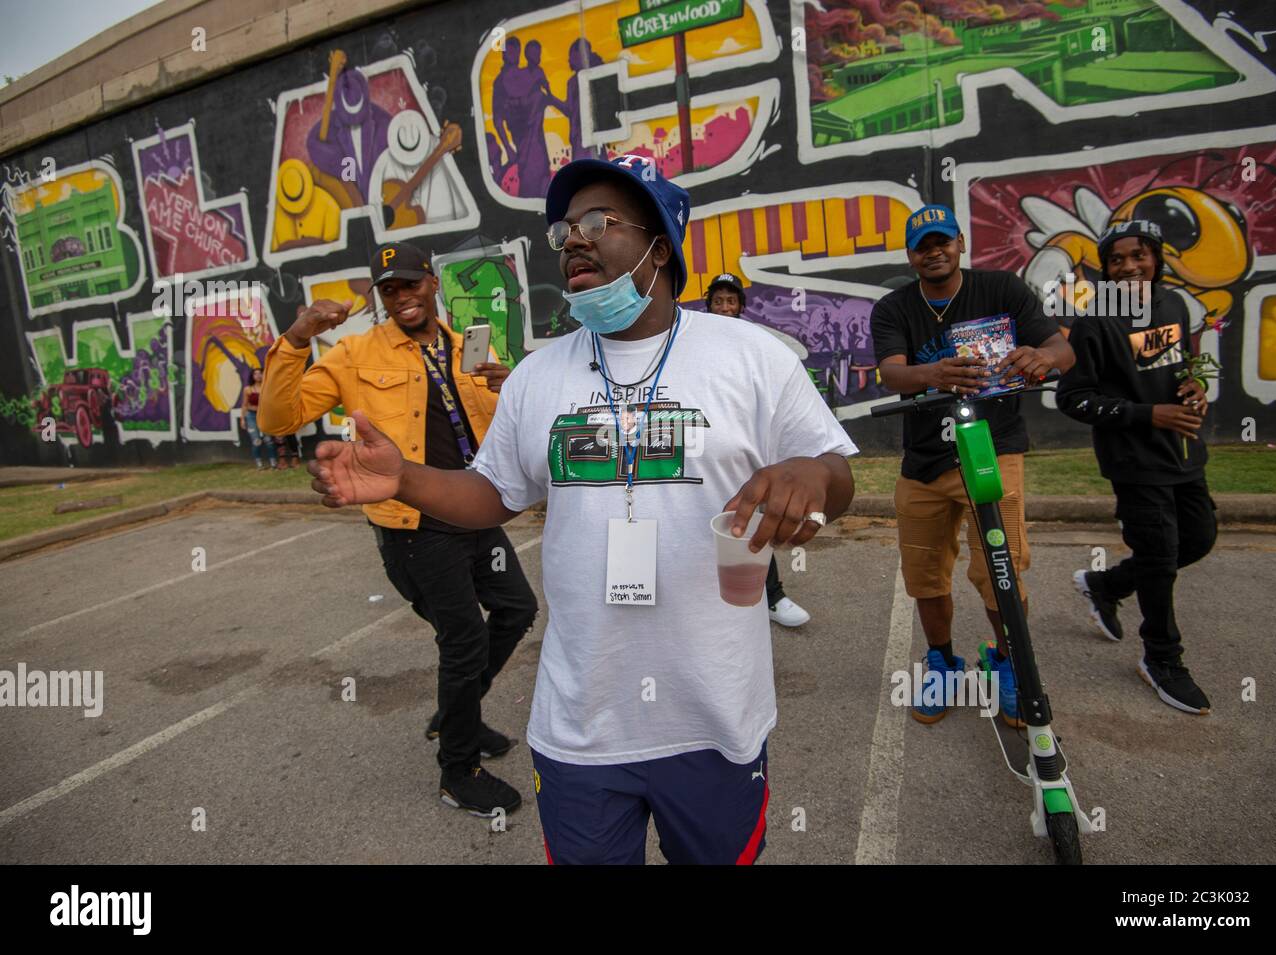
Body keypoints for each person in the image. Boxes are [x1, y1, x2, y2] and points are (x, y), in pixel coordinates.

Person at [306, 155, 858, 864]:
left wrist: (812, 474)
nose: (572, 239)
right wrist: (403, 478)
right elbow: (492, 494)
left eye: (598, 222)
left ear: (661, 246)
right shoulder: (537, 375)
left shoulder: (752, 356)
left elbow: (838, 474)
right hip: (581, 725)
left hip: (716, 716)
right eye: (564, 229)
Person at [258, 241, 539, 816]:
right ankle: (458, 771)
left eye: (410, 284)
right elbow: (279, 417)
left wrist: (508, 386)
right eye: (388, 290)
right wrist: (297, 338)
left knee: (517, 609)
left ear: (432, 283)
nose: (401, 297)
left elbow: (495, 429)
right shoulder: (354, 354)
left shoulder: (467, 345)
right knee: (463, 639)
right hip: (416, 527)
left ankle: (459, 714)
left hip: (472, 509)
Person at [871, 204, 1074, 727]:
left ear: (960, 242)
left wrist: (1044, 359)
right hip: (925, 460)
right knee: (924, 574)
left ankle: (1008, 663)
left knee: (1000, 570)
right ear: (910, 255)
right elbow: (892, 373)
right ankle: (941, 660)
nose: (934, 252)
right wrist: (933, 374)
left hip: (992, 448)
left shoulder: (1001, 288)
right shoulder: (894, 307)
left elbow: (1059, 347)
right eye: (922, 246)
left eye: (943, 241)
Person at [1057, 219, 1214, 715]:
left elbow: (1178, 364)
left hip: (1182, 450)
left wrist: (1195, 387)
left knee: (1199, 539)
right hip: (1134, 461)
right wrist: (1148, 415)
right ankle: (1161, 658)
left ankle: (1107, 585)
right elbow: (1073, 398)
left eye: (1138, 255)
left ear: (1156, 259)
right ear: (1106, 269)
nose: (1128, 266)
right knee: (1161, 558)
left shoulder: (1173, 304)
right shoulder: (1096, 322)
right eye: (1117, 259)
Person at [704, 272, 812, 629]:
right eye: (718, 301)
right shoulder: (693, 343)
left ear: (740, 305)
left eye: (730, 301)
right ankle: (704, 599)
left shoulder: (756, 343)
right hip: (702, 445)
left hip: (744, 443)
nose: (724, 307)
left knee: (748, 519)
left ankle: (772, 596)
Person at [238, 368, 276, 470]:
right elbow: (244, 405)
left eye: (260, 373)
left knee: (268, 440)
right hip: (251, 416)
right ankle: (259, 464)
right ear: (252, 376)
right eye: (255, 374)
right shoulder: (248, 389)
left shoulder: (267, 388)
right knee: (256, 440)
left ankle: (273, 462)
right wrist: (242, 419)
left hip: (265, 415)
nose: (258, 376)